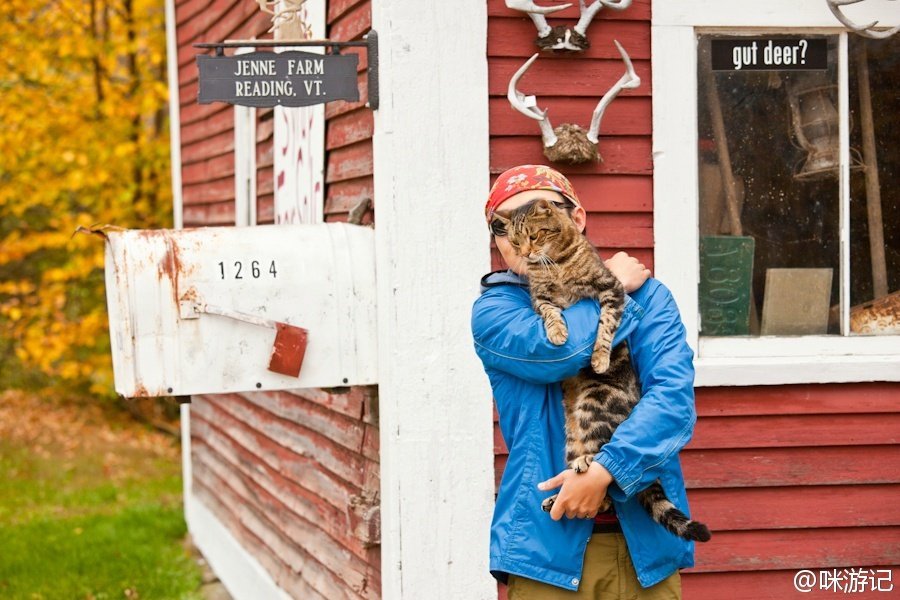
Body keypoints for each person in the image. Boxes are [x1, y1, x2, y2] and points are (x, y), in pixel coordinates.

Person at [471, 165, 697, 599]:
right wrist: (617, 289)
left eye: (537, 213)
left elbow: (672, 402)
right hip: (546, 548)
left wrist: (605, 472)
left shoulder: (651, 297)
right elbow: (564, 352)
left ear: (575, 219)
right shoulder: (496, 310)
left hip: (646, 546)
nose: (519, 234)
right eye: (501, 227)